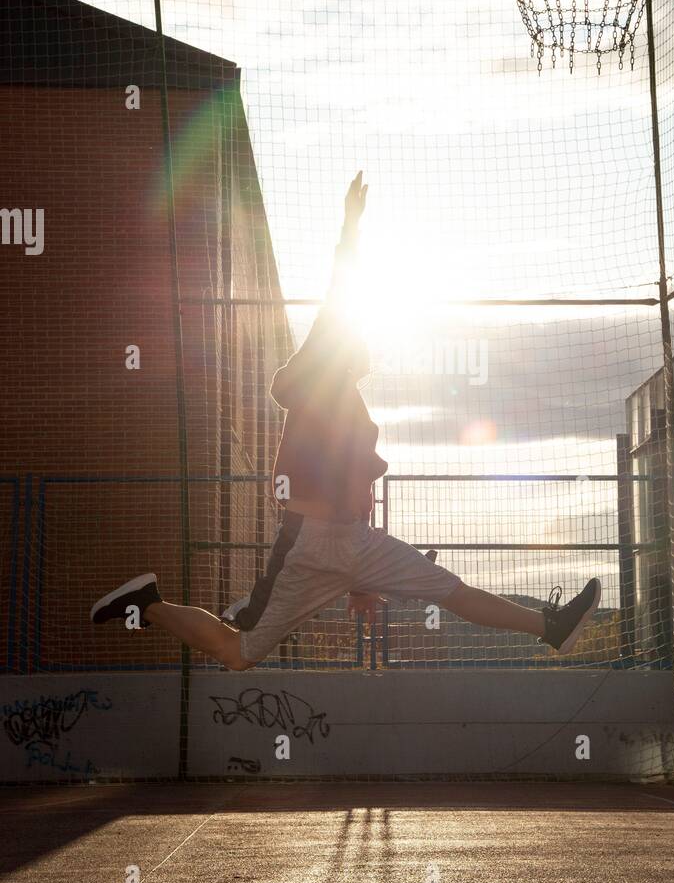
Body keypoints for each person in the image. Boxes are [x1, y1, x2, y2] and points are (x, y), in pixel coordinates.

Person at [91, 174, 601, 667]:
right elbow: (341, 293)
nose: (367, 352)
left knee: (451, 591)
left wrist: (360, 581)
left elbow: (355, 486)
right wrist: (350, 228)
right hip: (309, 540)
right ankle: (148, 601)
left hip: (355, 540)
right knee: (239, 651)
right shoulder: (323, 372)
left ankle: (551, 628)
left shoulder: (348, 403)